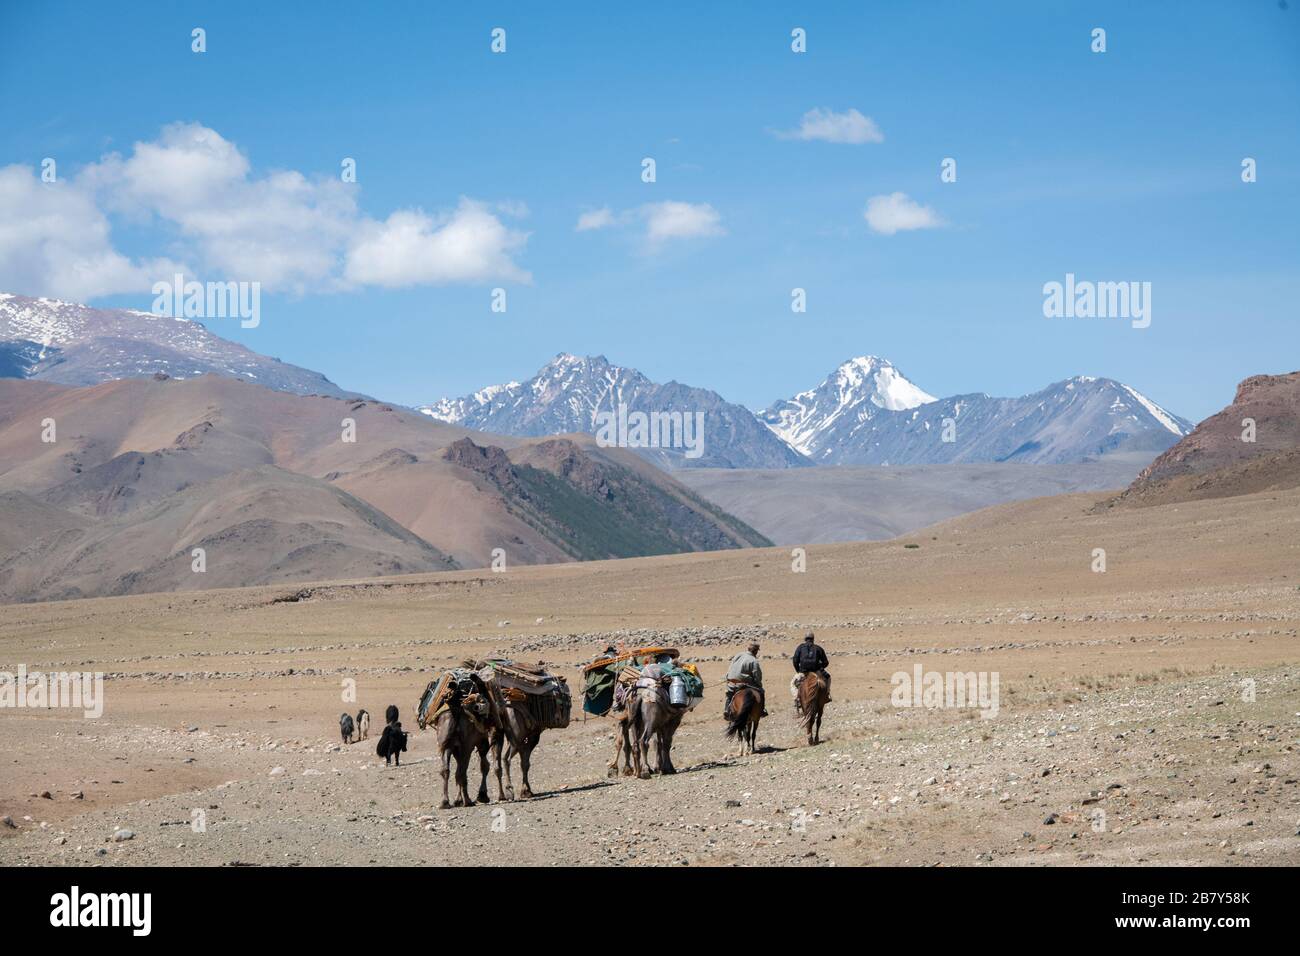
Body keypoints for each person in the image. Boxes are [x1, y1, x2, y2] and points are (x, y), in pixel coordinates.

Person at [791, 631, 831, 713]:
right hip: (816, 672)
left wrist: (798, 670)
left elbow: (795, 660)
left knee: (792, 683)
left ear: (805, 639)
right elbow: (826, 662)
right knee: (828, 678)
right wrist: (820, 668)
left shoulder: (800, 648)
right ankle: (827, 695)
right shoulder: (818, 648)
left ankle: (797, 699)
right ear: (813, 639)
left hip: (803, 672)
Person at [725, 641, 766, 718]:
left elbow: (731, 666)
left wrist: (727, 677)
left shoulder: (738, 655)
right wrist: (759, 685)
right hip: (744, 683)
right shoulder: (753, 661)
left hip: (732, 682)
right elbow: (757, 676)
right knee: (762, 692)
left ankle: (727, 710)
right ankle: (762, 710)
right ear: (756, 651)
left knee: (729, 694)